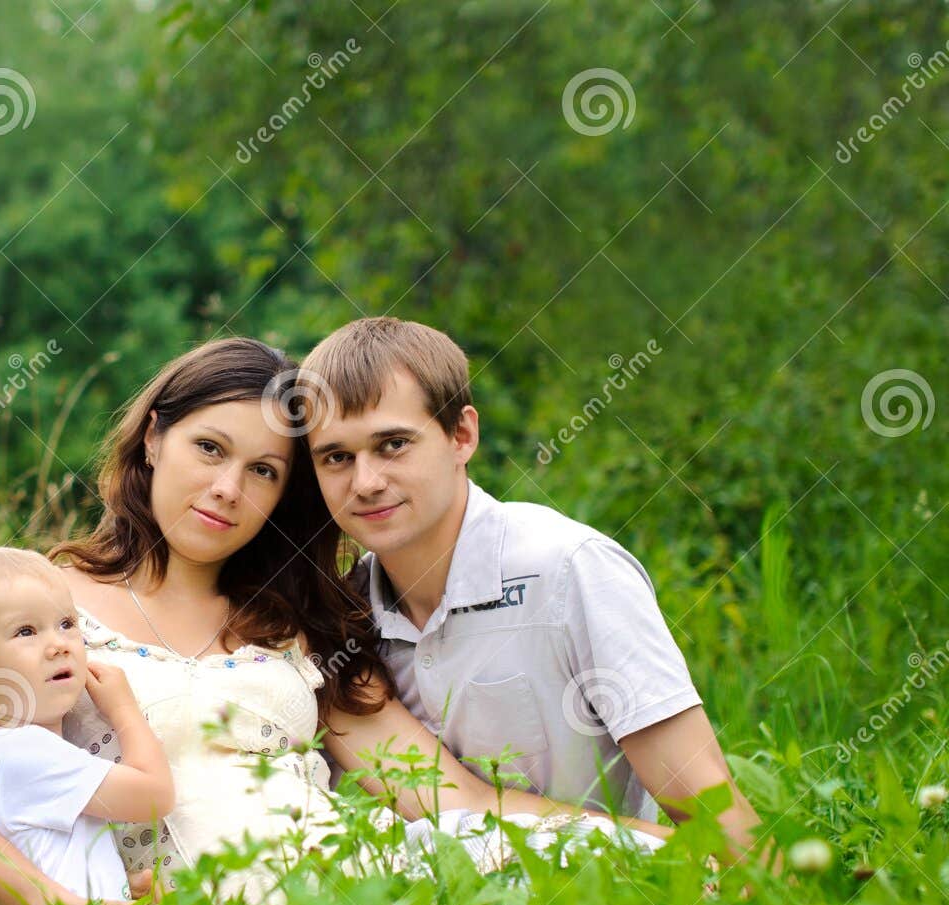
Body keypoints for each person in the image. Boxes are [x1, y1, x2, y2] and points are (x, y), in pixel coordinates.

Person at [0, 338, 669, 905]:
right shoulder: (45, 606)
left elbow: (450, 797)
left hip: (344, 897)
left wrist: (643, 839)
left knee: (624, 857)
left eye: (264, 471)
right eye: (210, 448)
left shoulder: (295, 624)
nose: (227, 489)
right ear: (154, 438)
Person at [296, 317, 765, 857]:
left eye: (393, 444)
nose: (366, 482)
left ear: (461, 436)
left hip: (612, 891)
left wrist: (781, 889)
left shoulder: (569, 571)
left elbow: (708, 804)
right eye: (337, 457)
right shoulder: (342, 616)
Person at [0, 547, 173, 905]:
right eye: (26, 631)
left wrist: (119, 887)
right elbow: (154, 797)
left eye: (67, 623)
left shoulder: (26, 753)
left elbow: (53, 858)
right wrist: (124, 710)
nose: (59, 644)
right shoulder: (27, 754)